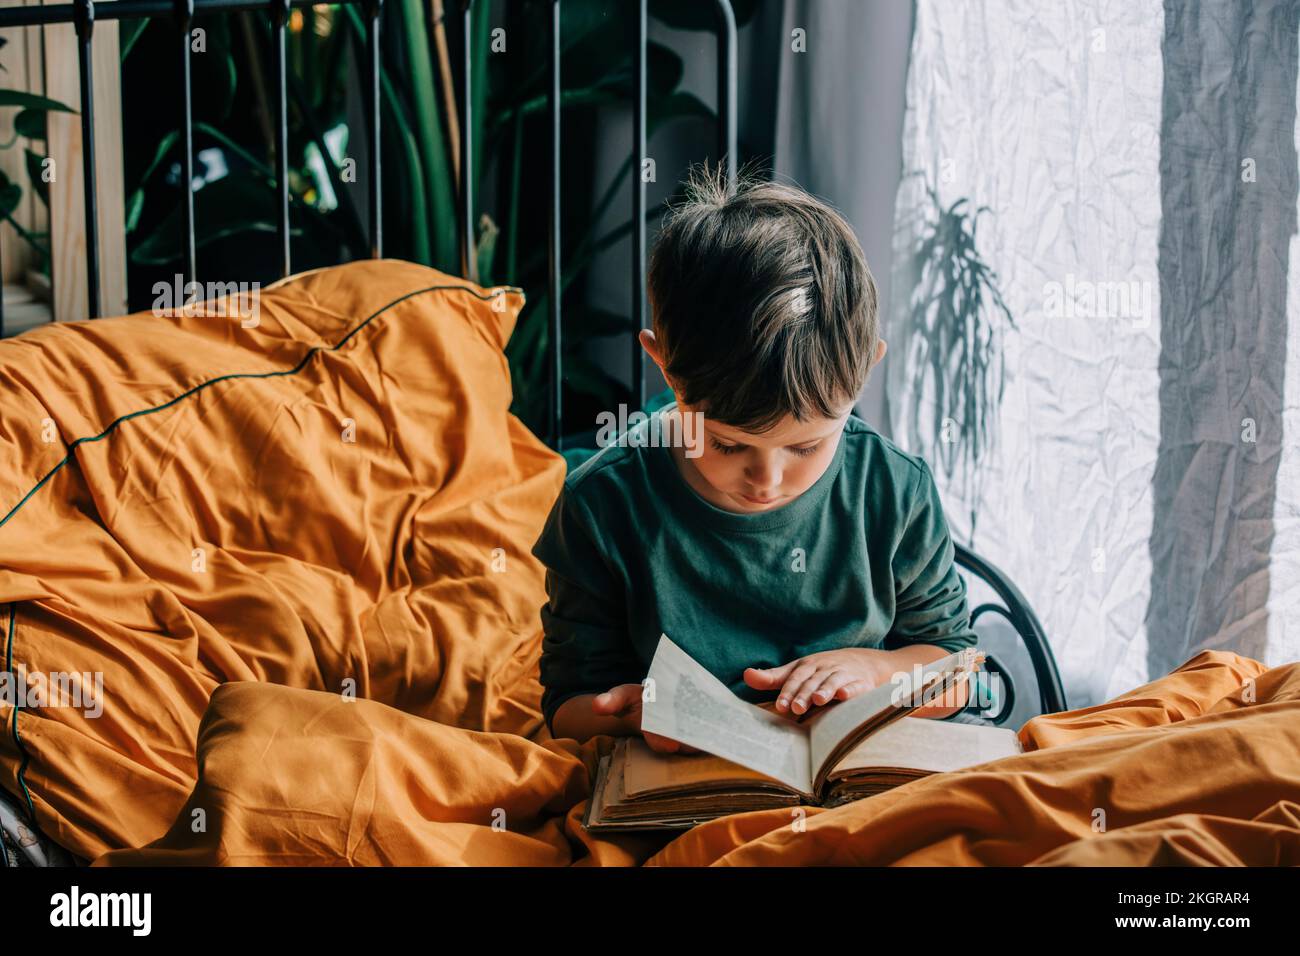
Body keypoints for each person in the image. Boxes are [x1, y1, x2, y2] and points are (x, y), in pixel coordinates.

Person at [533, 162, 975, 753]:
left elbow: (956, 670)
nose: (766, 481)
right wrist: (631, 716)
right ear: (662, 364)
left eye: (806, 446)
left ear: (867, 369)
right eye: (727, 443)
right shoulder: (601, 507)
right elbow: (567, 706)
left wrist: (874, 672)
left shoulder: (894, 490)